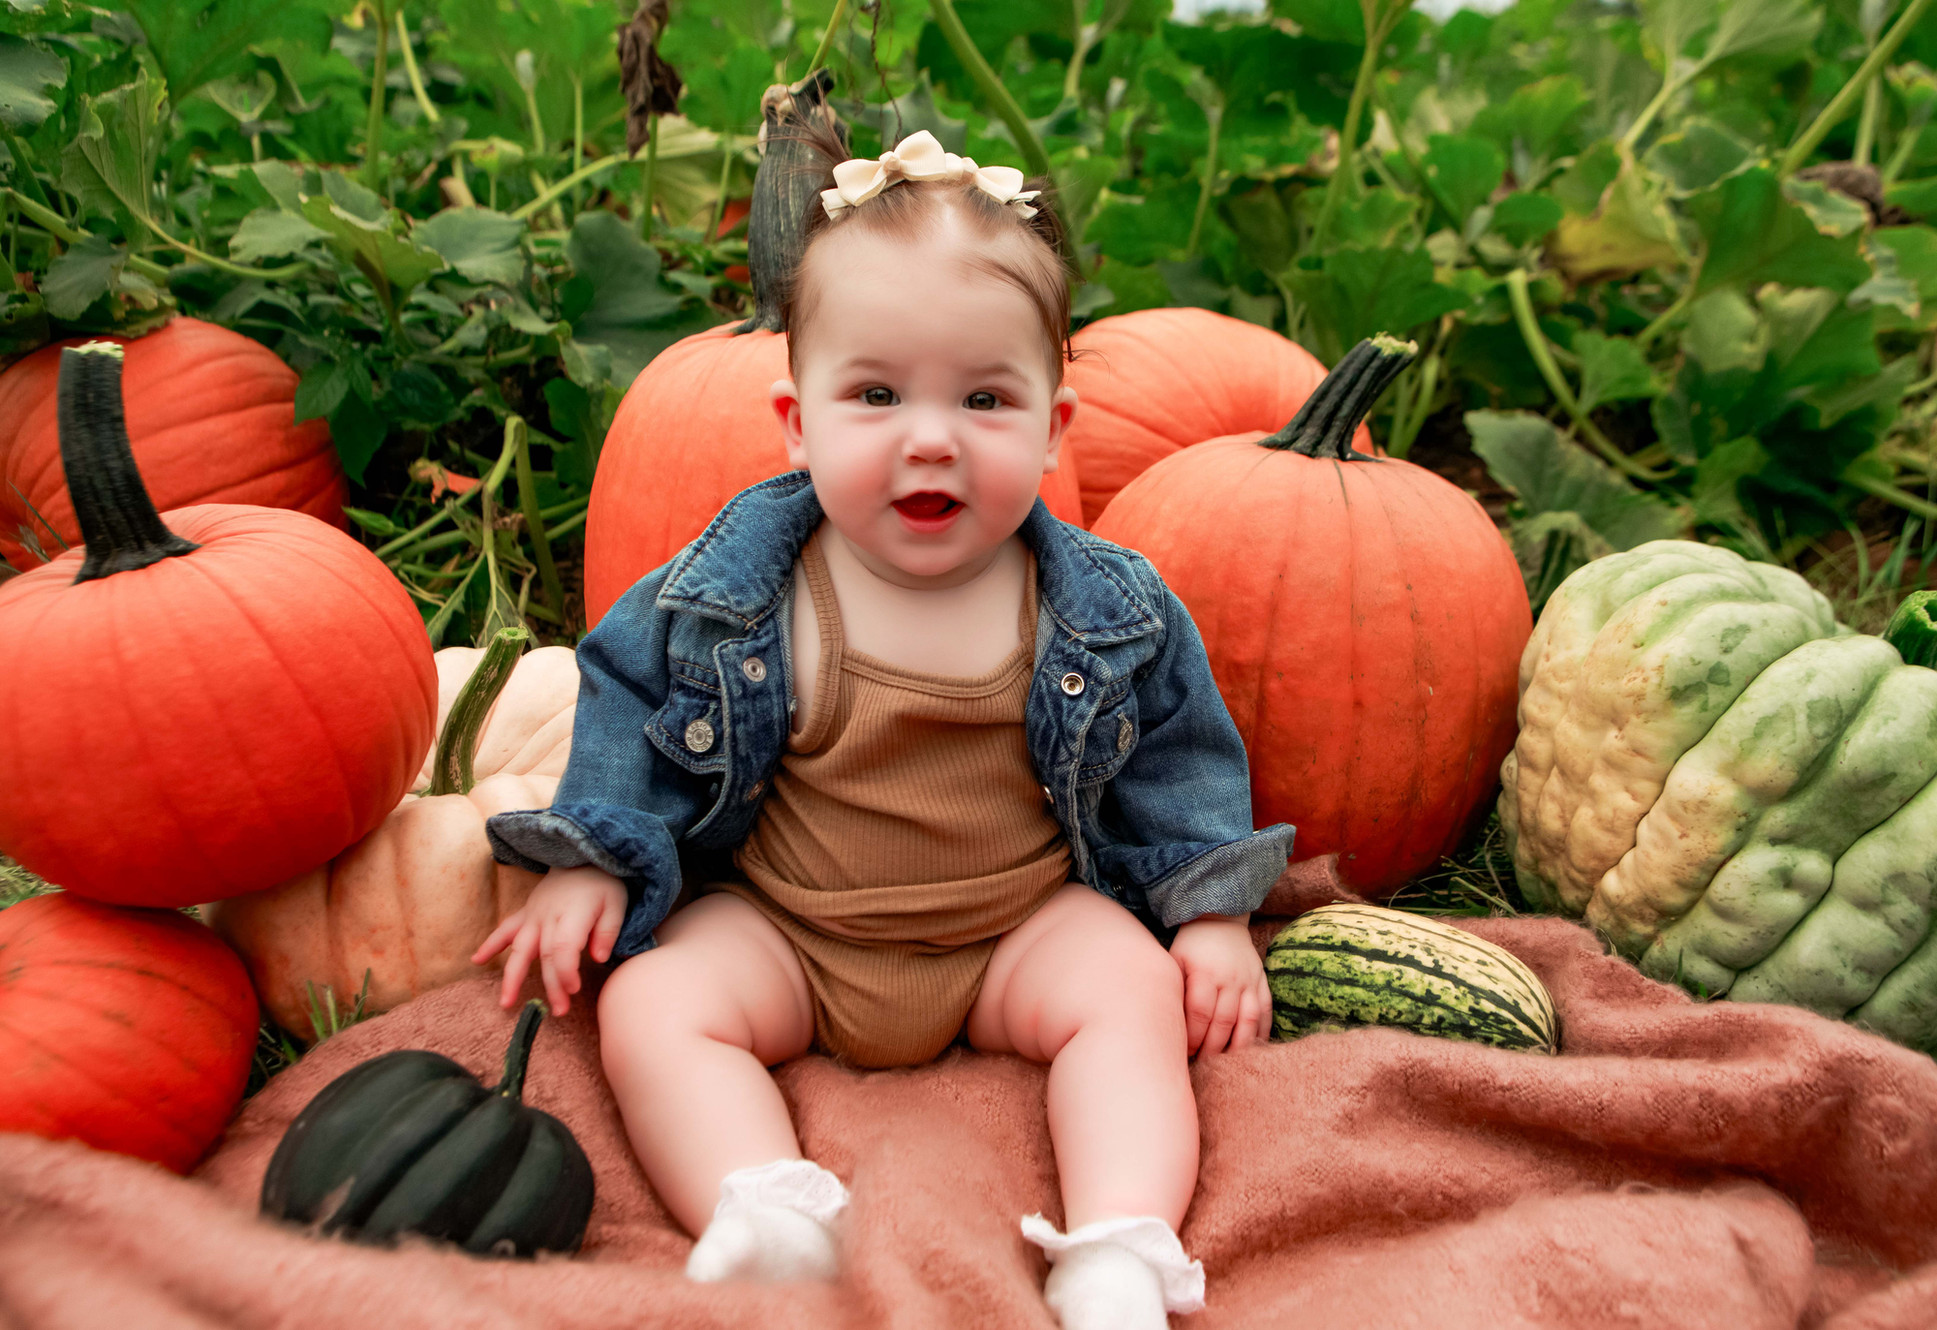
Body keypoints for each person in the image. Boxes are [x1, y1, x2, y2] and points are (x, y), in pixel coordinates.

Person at [476, 126, 1295, 1330]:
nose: (929, 435)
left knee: (1127, 990)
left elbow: (1176, 760)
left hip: (1011, 933)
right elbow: (631, 697)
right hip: (790, 931)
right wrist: (594, 855)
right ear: (795, 421)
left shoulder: (1107, 612)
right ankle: (762, 1211)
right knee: (654, 1002)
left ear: (1053, 424)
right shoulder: (734, 594)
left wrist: (1208, 911)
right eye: (875, 395)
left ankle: (1121, 1244)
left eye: (982, 398)